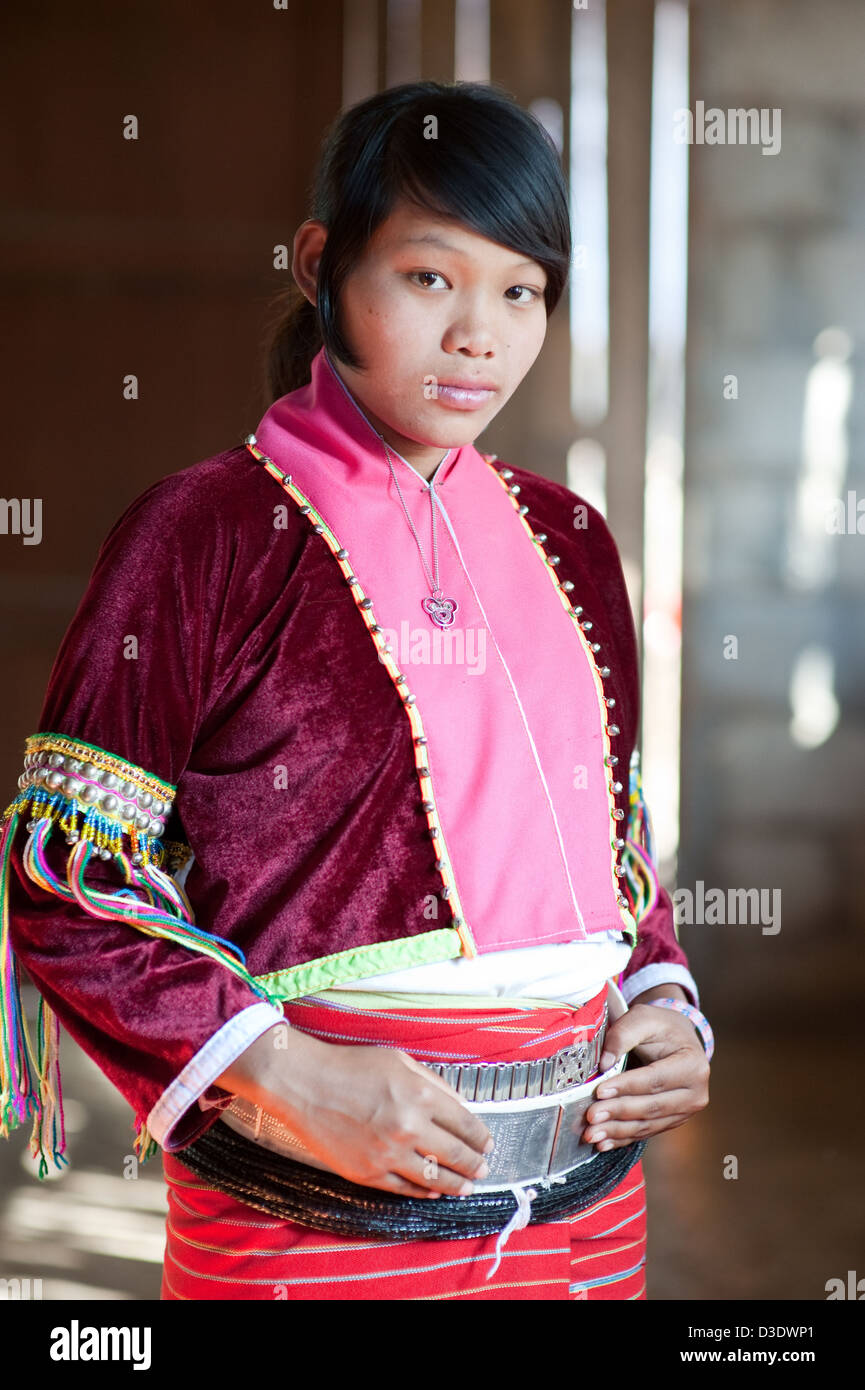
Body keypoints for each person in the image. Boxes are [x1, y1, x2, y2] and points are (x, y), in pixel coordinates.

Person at [0, 79, 710, 1301]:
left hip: (590, 1206)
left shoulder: (575, 540)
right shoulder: (203, 534)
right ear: (322, 263)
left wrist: (661, 997)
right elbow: (64, 881)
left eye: (519, 290)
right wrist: (288, 1069)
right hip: (310, 1211)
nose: (478, 334)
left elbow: (614, 845)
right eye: (430, 278)